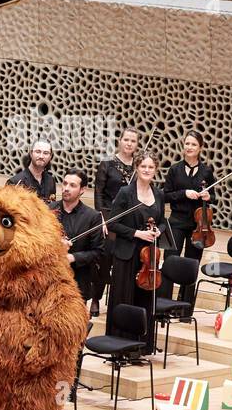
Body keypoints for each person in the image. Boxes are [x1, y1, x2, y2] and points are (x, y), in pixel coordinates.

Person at [105, 150, 165, 354]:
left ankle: (140, 347)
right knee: (124, 298)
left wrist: (158, 230)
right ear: (137, 168)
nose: (147, 170)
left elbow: (163, 222)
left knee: (143, 300)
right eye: (143, 166)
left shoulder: (158, 194)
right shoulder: (125, 193)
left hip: (148, 257)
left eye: (151, 167)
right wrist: (137, 233)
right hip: (127, 255)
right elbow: (113, 223)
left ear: (155, 170)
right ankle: (119, 346)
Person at [91, 126, 139, 316]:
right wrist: (101, 218)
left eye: (133, 141)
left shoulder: (138, 166)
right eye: (126, 139)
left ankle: (119, 303)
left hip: (129, 219)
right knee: (105, 259)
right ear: (120, 140)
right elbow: (98, 193)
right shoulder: (107, 164)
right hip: (108, 216)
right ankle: (96, 299)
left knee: (124, 261)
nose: (129, 144)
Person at [162, 129, 214, 304]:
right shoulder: (174, 170)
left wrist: (208, 197)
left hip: (198, 226)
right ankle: (163, 303)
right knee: (170, 261)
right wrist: (184, 193)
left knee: (192, 264)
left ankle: (185, 307)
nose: (189, 147)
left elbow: (213, 197)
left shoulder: (206, 171)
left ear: (200, 148)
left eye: (194, 144)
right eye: (187, 143)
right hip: (176, 221)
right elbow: (165, 195)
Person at [50, 169, 104, 303]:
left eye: (72, 185)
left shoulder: (92, 217)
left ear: (82, 190)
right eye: (65, 183)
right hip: (48, 278)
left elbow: (98, 252)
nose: (66, 188)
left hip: (77, 281)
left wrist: (72, 257)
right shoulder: (48, 210)